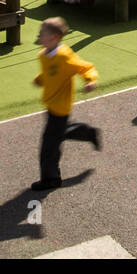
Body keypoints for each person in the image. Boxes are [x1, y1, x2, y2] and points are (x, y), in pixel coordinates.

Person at [31, 17, 100, 192]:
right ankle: (88, 132)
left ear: (54, 37)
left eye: (43, 33)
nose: (39, 36)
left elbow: (85, 67)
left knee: (49, 147)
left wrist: (90, 81)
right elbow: (49, 73)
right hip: (51, 104)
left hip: (60, 107)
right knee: (61, 132)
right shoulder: (44, 54)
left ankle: (51, 178)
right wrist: (40, 80)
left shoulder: (64, 57)